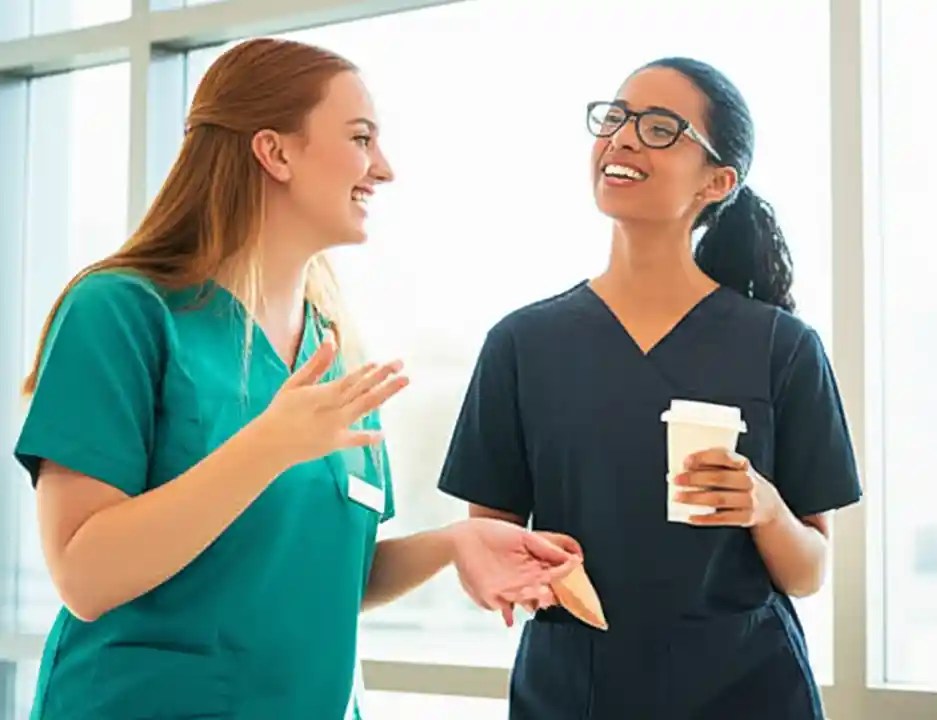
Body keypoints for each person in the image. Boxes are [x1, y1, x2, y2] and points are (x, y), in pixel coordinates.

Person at [13, 38, 577, 720]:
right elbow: (85, 573)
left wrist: (452, 545)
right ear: (275, 152)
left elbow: (321, 572)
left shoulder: (327, 344)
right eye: (361, 137)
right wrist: (268, 447)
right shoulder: (121, 312)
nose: (384, 169)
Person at [437, 57, 862, 720]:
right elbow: (482, 548)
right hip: (573, 694)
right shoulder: (521, 344)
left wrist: (763, 506)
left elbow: (808, 572)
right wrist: (519, 577)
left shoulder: (782, 347)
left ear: (717, 181)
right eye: (615, 117)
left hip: (747, 691)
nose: (624, 137)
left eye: (661, 128)